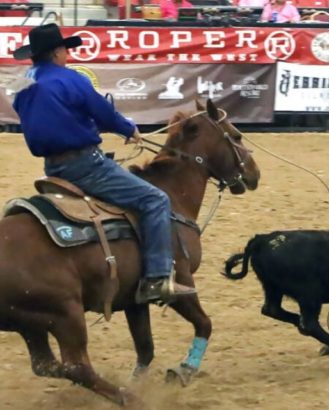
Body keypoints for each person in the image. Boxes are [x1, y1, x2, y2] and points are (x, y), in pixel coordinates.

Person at [11, 24, 197, 304]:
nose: (67, 55)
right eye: (65, 50)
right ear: (57, 52)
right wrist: (128, 129)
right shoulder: (70, 80)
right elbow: (103, 112)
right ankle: (157, 278)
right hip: (86, 165)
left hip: (53, 168)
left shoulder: (24, 83)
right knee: (155, 199)